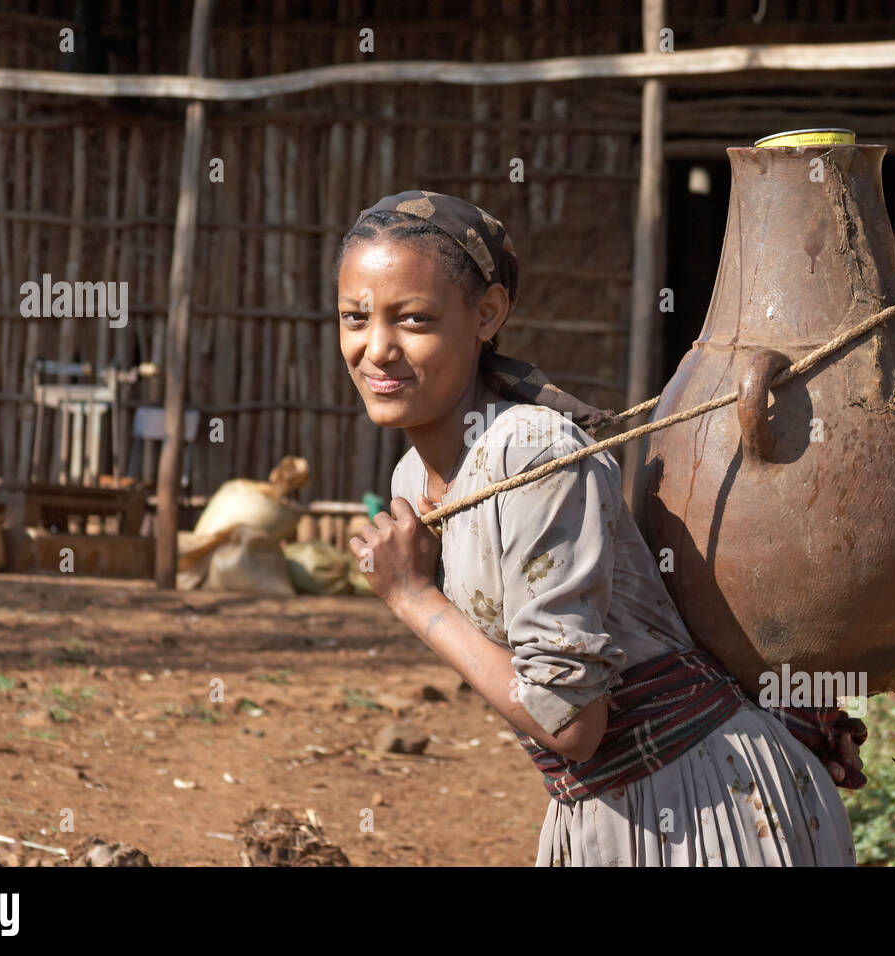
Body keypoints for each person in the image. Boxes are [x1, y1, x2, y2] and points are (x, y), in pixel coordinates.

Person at [337, 189, 864, 866]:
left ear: (487, 313)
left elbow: (573, 721)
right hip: (610, 807)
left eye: (413, 319)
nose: (376, 349)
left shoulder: (530, 452)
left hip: (706, 809)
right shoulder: (414, 481)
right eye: (355, 317)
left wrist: (413, 598)